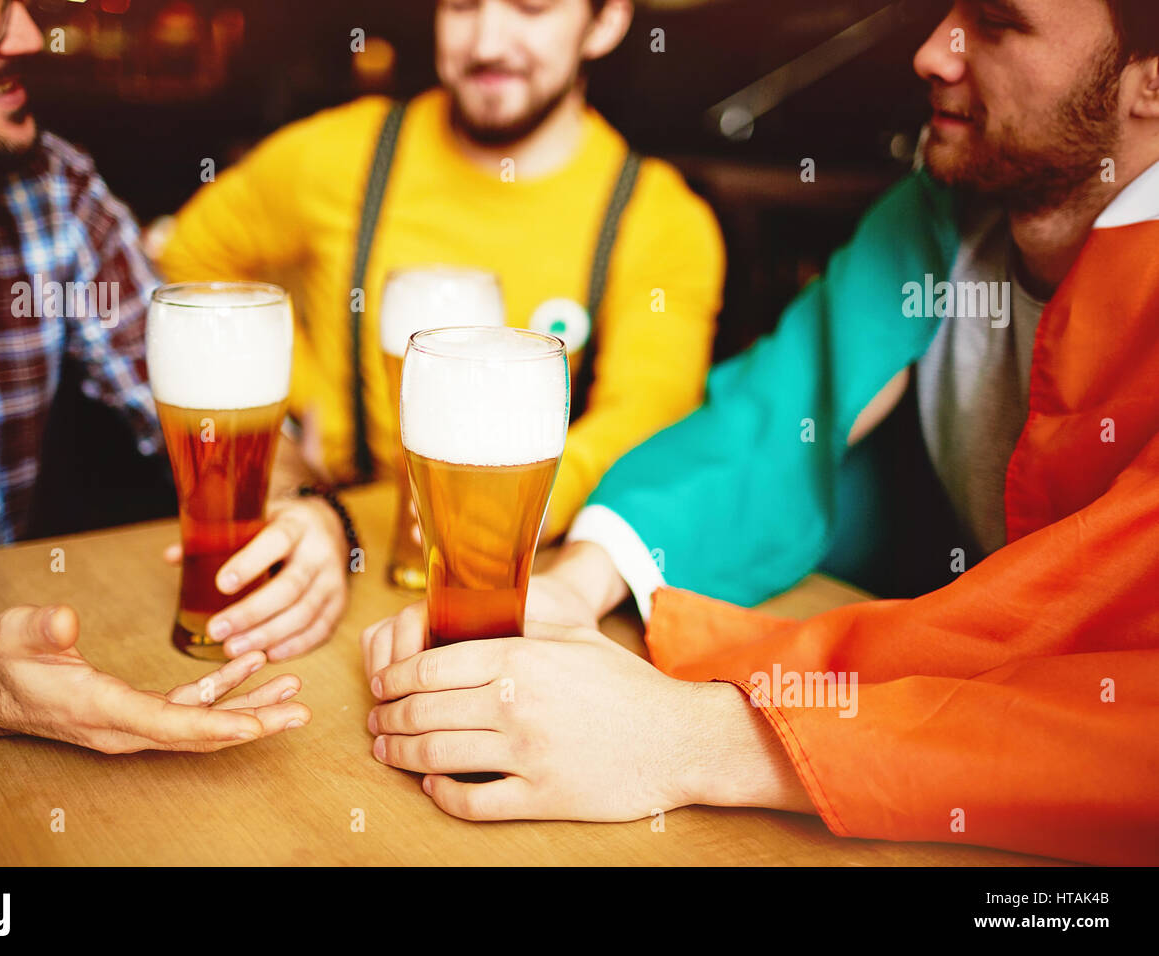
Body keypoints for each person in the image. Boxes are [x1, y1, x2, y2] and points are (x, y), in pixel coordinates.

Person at [360, 0, 1159, 865]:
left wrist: (692, 741)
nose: (933, 52)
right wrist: (570, 590)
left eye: (998, 23)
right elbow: (780, 415)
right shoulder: (950, 200)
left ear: (1152, 81)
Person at [0, 0, 316, 748]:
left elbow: (227, 418)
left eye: (25, 3)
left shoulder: (50, 192)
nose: (29, 36)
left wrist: (311, 513)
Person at [155, 0, 724, 558]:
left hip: (525, 561)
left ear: (606, 22)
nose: (487, 43)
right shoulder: (340, 151)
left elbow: (651, 415)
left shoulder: (661, 220)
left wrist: (526, 500)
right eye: (461, 6)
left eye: (531, 8)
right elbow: (187, 261)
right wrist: (298, 404)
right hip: (332, 526)